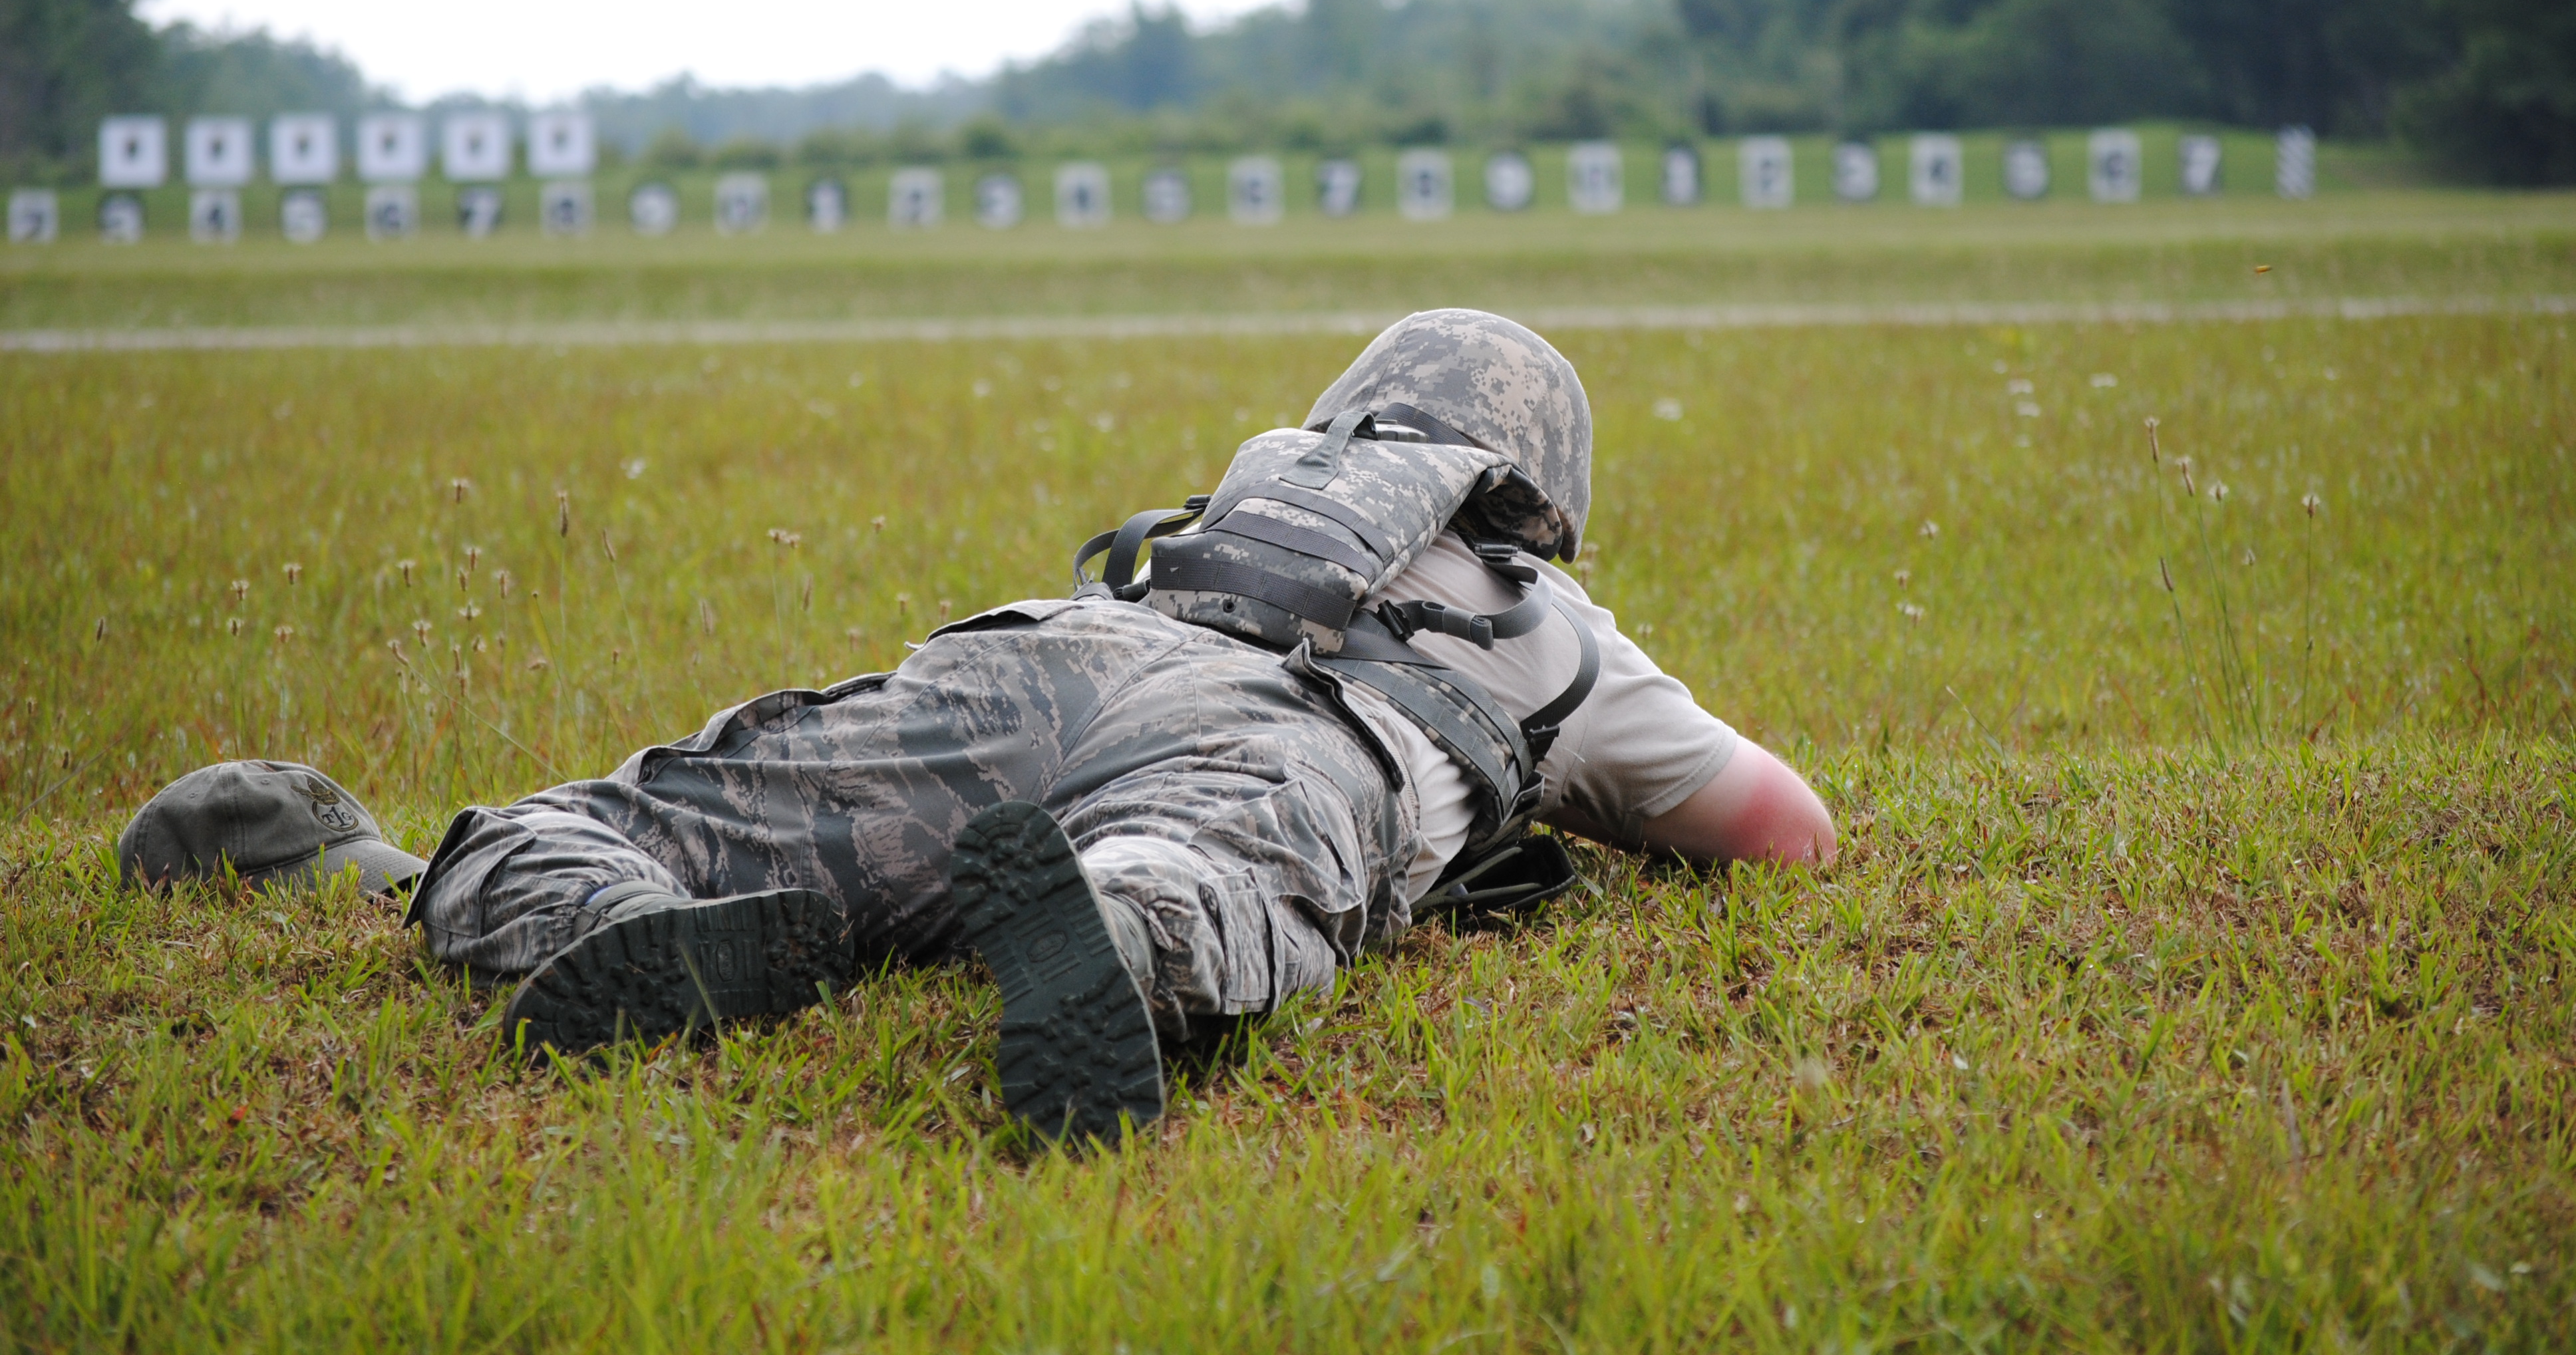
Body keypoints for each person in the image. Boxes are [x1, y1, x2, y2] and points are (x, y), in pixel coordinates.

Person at [118, 310, 1835, 1144]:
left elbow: (1127, 646)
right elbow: (1784, 833)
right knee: (1206, 867)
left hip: (1048, 662)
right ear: (1540, 492)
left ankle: (556, 893)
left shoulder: (1227, 505)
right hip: (1308, 735)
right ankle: (1116, 929)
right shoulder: (1557, 632)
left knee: (674, 806)